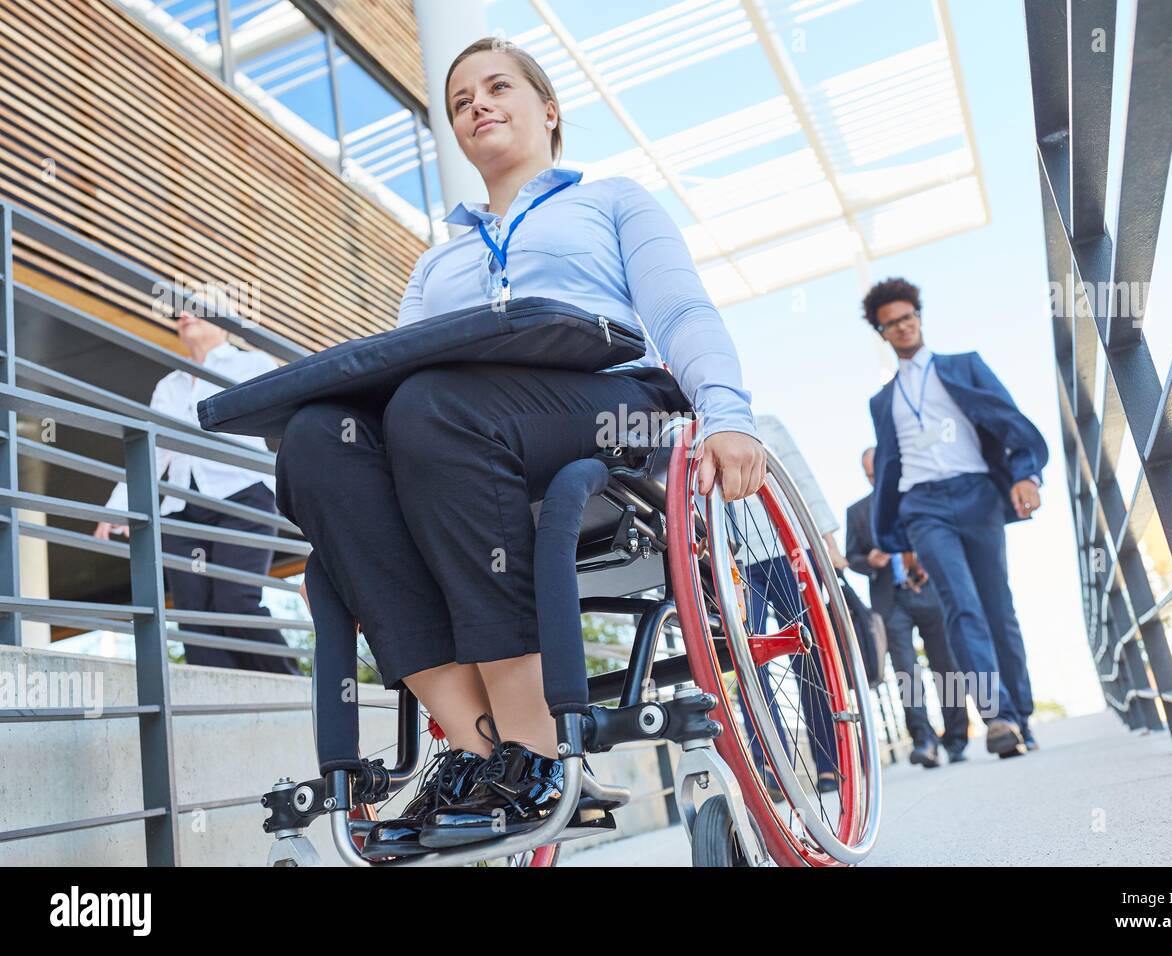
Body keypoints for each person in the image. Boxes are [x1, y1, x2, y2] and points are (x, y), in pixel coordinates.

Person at [274, 37, 765, 856]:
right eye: (461, 101)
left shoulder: (611, 201)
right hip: (462, 437)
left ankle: (533, 744)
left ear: (548, 110)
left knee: (435, 408)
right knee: (319, 438)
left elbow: (679, 314)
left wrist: (727, 412)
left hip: (610, 410)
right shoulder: (440, 260)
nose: (477, 106)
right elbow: (390, 383)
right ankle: (476, 750)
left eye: (497, 87)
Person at [863, 277, 1047, 756]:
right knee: (961, 608)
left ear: (918, 317)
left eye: (908, 317)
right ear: (881, 333)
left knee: (996, 607)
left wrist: (1027, 474)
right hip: (923, 507)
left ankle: (1021, 715)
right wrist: (899, 538)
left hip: (977, 494)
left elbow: (1009, 418)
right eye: (891, 324)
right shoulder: (882, 401)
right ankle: (998, 717)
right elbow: (889, 466)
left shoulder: (964, 366)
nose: (903, 327)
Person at [95, 310, 299, 675]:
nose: (184, 315)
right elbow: (152, 451)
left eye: (198, 308)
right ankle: (222, 705)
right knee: (194, 616)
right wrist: (118, 507)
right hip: (182, 507)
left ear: (223, 323)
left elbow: (285, 412)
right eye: (179, 311)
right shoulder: (168, 385)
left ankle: (292, 686)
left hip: (243, 495)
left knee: (235, 600)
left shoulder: (251, 363)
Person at [735, 415, 844, 798]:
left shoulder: (766, 425)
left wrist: (828, 543)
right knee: (745, 658)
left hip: (785, 547)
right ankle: (770, 764)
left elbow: (802, 481)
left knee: (807, 653)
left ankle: (831, 765)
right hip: (732, 559)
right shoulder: (682, 432)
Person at [846, 447, 968, 767]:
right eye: (869, 475)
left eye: (878, 472)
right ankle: (924, 740)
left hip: (931, 591)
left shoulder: (918, 497)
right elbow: (852, 558)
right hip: (891, 599)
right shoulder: (857, 511)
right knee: (906, 673)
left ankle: (956, 740)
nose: (875, 479)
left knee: (948, 668)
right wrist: (868, 561)